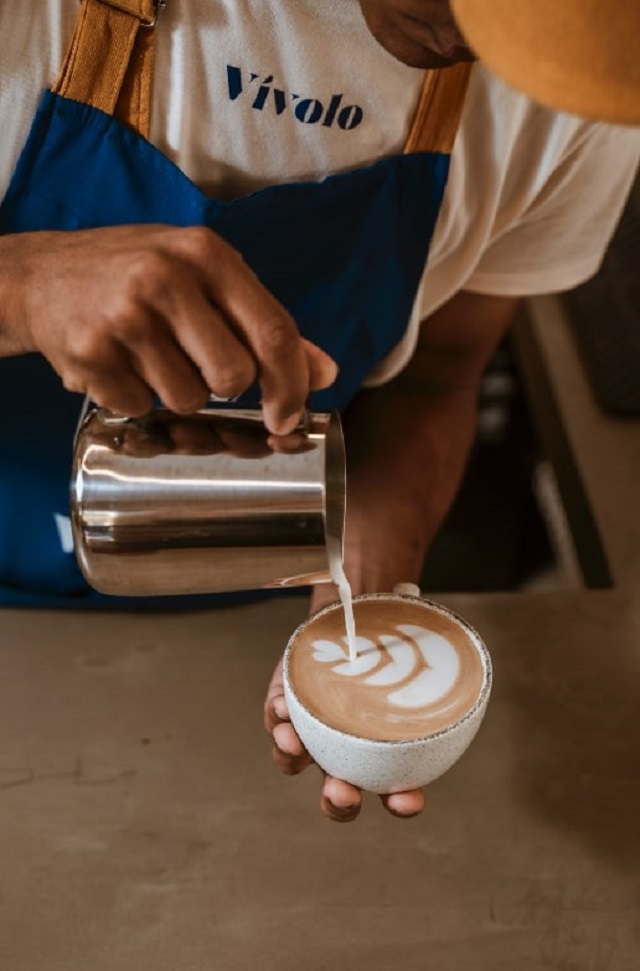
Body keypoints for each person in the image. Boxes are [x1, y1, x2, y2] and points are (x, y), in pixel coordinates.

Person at [1, 1, 639, 820]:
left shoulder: (582, 74)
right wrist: (23, 286)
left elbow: (435, 377)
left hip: (240, 626)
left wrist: (365, 609)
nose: (471, 46)